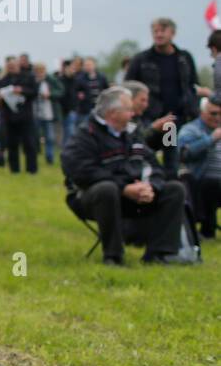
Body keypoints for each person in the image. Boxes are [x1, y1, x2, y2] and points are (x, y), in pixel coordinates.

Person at [61, 86, 188, 265]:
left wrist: (151, 186)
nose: (133, 114)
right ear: (113, 113)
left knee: (174, 189)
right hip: (93, 198)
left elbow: (152, 165)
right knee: (107, 189)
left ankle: (160, 253)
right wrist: (124, 188)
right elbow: (83, 172)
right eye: (129, 110)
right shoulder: (84, 136)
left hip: (134, 194)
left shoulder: (133, 133)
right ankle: (113, 255)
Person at [125, 18, 200, 177]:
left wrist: (192, 108)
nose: (158, 35)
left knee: (171, 162)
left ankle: (169, 190)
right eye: (155, 31)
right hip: (147, 119)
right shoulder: (141, 59)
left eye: (162, 31)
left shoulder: (184, 59)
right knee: (141, 154)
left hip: (172, 120)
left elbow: (193, 86)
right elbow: (128, 87)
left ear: (172, 33)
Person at [178, 93, 221, 238]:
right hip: (199, 180)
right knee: (213, 183)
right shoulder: (190, 130)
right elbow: (184, 154)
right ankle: (207, 230)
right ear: (202, 112)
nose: (217, 117)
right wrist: (211, 139)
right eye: (213, 113)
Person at [0, 56, 38, 174]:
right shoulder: (4, 79)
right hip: (9, 117)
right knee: (11, 144)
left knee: (29, 143)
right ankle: (14, 169)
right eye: (9, 67)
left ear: (18, 65)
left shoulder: (28, 77)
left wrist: (21, 90)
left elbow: (34, 92)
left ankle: (31, 169)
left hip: (25, 116)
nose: (11, 68)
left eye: (13, 66)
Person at [33, 61, 62, 165]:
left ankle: (50, 157)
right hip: (35, 112)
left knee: (49, 137)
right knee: (35, 136)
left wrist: (50, 94)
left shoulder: (51, 80)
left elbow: (61, 91)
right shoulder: (33, 80)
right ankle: (35, 156)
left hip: (49, 113)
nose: (39, 73)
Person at [72, 57, 108, 128]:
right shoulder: (80, 78)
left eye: (89, 65)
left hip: (99, 108)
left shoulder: (102, 77)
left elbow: (106, 90)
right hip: (85, 109)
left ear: (94, 65)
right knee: (84, 128)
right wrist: (79, 95)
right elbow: (74, 91)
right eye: (86, 65)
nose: (88, 67)